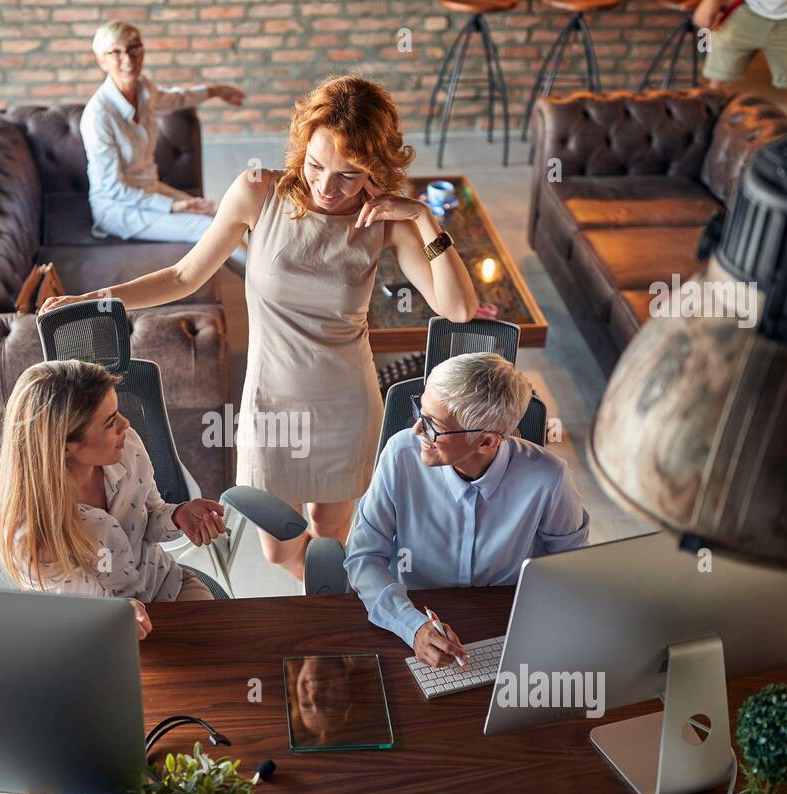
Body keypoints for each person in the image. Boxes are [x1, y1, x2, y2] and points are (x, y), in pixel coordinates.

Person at [44, 75, 480, 583]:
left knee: (329, 537)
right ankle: (337, 604)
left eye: (349, 174)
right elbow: (184, 275)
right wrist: (95, 299)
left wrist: (425, 219)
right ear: (301, 147)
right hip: (272, 406)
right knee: (279, 549)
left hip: (346, 408)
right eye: (316, 165)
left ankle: (330, 623)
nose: (326, 186)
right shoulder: (260, 192)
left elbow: (459, 308)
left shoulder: (383, 220)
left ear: (374, 168)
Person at [345, 354, 590, 667]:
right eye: (421, 410)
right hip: (414, 616)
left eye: (434, 426)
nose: (418, 429)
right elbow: (363, 557)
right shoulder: (399, 455)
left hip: (508, 628)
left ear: (486, 442)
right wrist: (412, 625)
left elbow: (572, 569)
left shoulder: (549, 478)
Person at [0, 360, 227, 640]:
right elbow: (82, 608)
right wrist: (114, 612)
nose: (126, 425)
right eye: (110, 422)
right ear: (65, 447)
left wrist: (177, 516)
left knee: (220, 652)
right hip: (98, 628)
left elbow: (150, 514)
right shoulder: (30, 532)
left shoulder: (128, 447)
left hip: (166, 587)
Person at [82, 20, 246, 253]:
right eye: (116, 52)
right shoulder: (98, 116)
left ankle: (267, 274)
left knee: (218, 215)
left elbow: (177, 98)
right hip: (119, 208)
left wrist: (216, 90)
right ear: (102, 61)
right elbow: (113, 190)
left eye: (133, 48)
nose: (128, 60)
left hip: (148, 189)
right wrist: (172, 206)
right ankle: (268, 286)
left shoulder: (143, 89)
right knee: (209, 228)